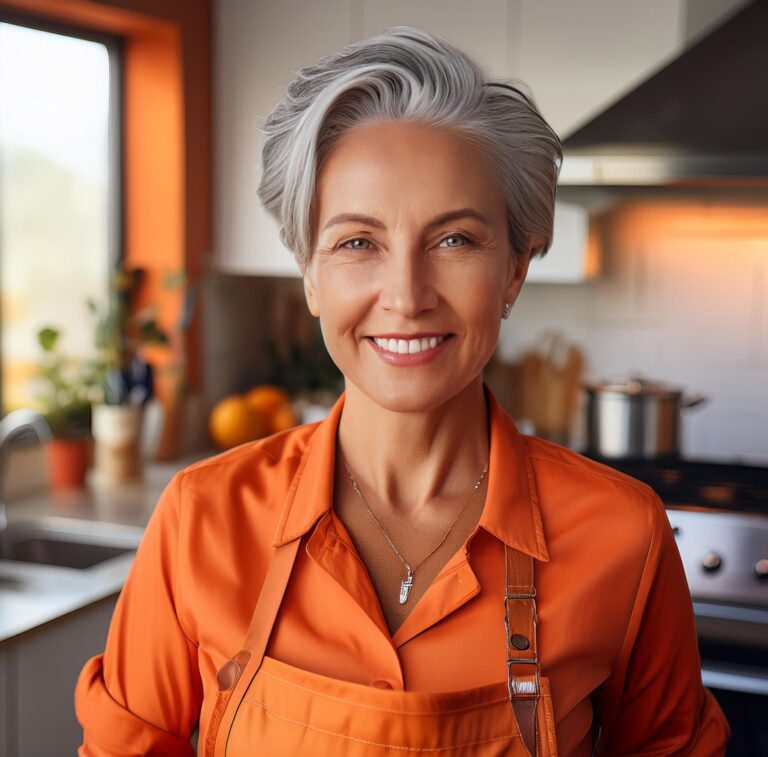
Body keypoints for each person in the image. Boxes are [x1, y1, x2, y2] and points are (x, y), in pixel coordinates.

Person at [75, 25, 731, 756]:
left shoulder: (625, 534)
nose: (407, 296)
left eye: (455, 240)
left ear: (514, 270)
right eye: (358, 242)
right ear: (310, 274)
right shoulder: (201, 518)